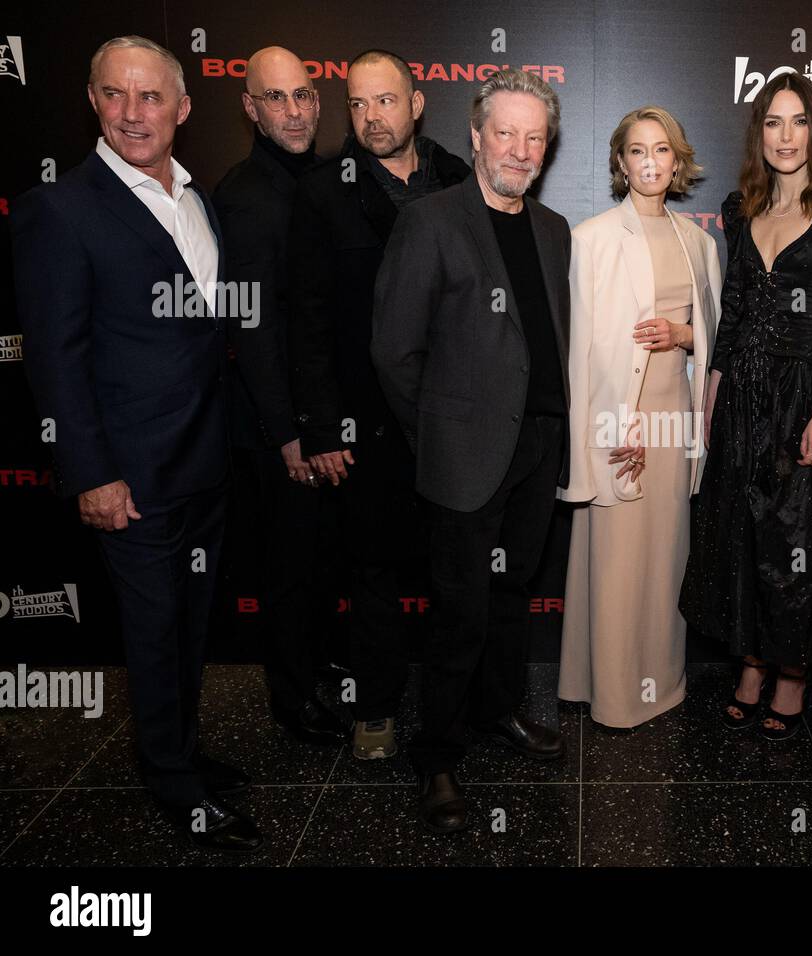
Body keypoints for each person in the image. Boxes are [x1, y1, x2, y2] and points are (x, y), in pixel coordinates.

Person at [11, 36, 260, 852]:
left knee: (190, 627)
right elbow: (55, 357)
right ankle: (174, 784)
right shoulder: (61, 208)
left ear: (182, 108)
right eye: (114, 94)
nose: (132, 112)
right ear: (92, 101)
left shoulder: (196, 197)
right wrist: (91, 474)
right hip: (132, 477)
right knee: (153, 636)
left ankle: (181, 752)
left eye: (150, 96)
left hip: (205, 463)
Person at [371, 68, 571, 833]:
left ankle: (499, 711)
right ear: (477, 136)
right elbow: (394, 351)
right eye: (506, 133)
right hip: (464, 456)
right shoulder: (431, 221)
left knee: (512, 594)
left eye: (535, 137)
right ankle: (438, 755)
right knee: (459, 611)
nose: (520, 149)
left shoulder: (552, 228)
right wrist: (440, 436)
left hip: (538, 445)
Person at [679, 72, 812, 741]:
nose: (785, 136)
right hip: (742, 394)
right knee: (743, 534)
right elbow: (733, 310)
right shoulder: (743, 208)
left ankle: (792, 674)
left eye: (797, 122)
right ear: (758, 132)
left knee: (795, 540)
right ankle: (753, 661)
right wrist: (712, 390)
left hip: (802, 396)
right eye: (772, 122)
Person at [288, 49, 470, 760]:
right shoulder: (322, 192)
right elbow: (305, 318)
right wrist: (321, 426)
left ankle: (457, 712)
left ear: (417, 103)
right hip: (362, 421)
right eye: (358, 104)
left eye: (386, 101)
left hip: (450, 415)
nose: (371, 118)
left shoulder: (459, 179)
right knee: (372, 573)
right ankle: (377, 708)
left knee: (458, 573)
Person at [557, 106, 721, 730]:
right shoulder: (591, 238)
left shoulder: (698, 241)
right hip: (618, 419)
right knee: (616, 562)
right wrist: (605, 431)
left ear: (677, 162)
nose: (650, 162)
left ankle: (660, 681)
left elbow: (714, 340)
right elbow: (579, 351)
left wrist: (683, 333)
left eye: (661, 150)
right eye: (637, 151)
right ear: (621, 163)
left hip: (674, 420)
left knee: (664, 558)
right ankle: (612, 691)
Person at [212, 46, 349, 747]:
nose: (293, 112)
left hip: (323, 417)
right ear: (250, 108)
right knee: (289, 567)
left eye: (302, 96)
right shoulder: (245, 195)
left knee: (322, 558)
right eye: (276, 98)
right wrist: (288, 435)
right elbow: (253, 329)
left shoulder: (325, 180)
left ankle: (315, 663)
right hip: (280, 428)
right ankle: (292, 701)